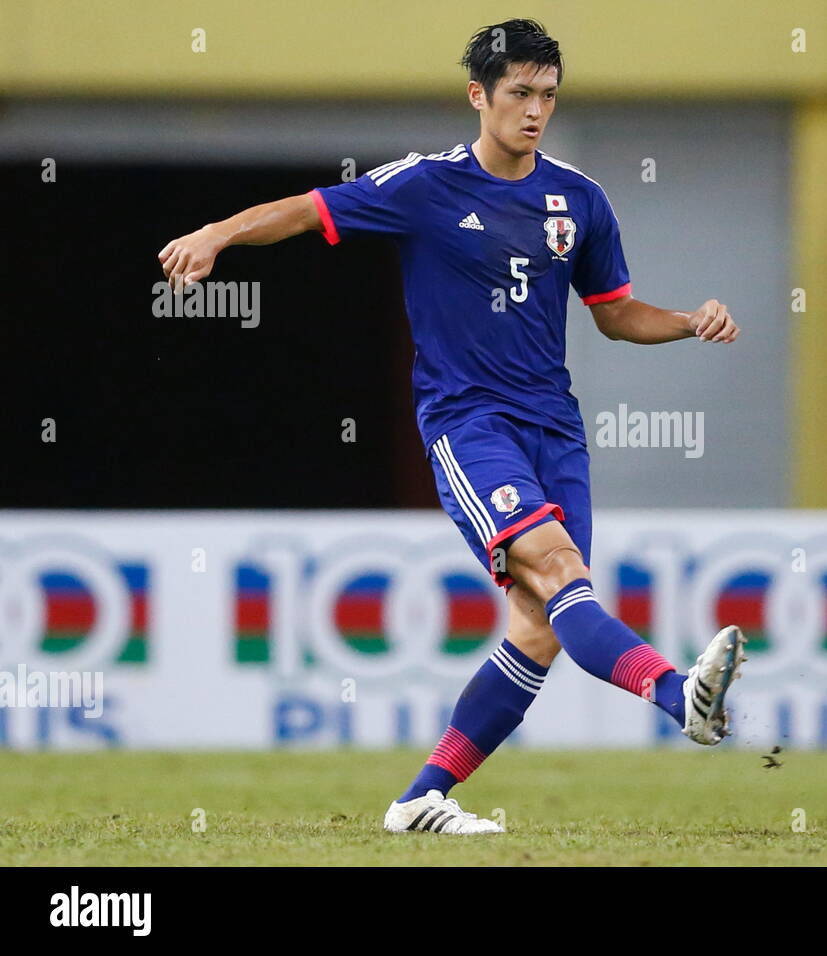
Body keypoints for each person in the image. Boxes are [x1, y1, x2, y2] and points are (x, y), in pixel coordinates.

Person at [158, 19, 745, 836]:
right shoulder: (423, 187)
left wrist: (687, 320)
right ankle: (679, 695)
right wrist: (218, 233)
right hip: (468, 422)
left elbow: (614, 316)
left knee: (541, 626)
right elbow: (302, 211)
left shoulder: (579, 200)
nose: (534, 111)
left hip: (555, 428)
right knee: (556, 564)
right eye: (519, 94)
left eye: (547, 95)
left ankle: (419, 799)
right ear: (480, 96)